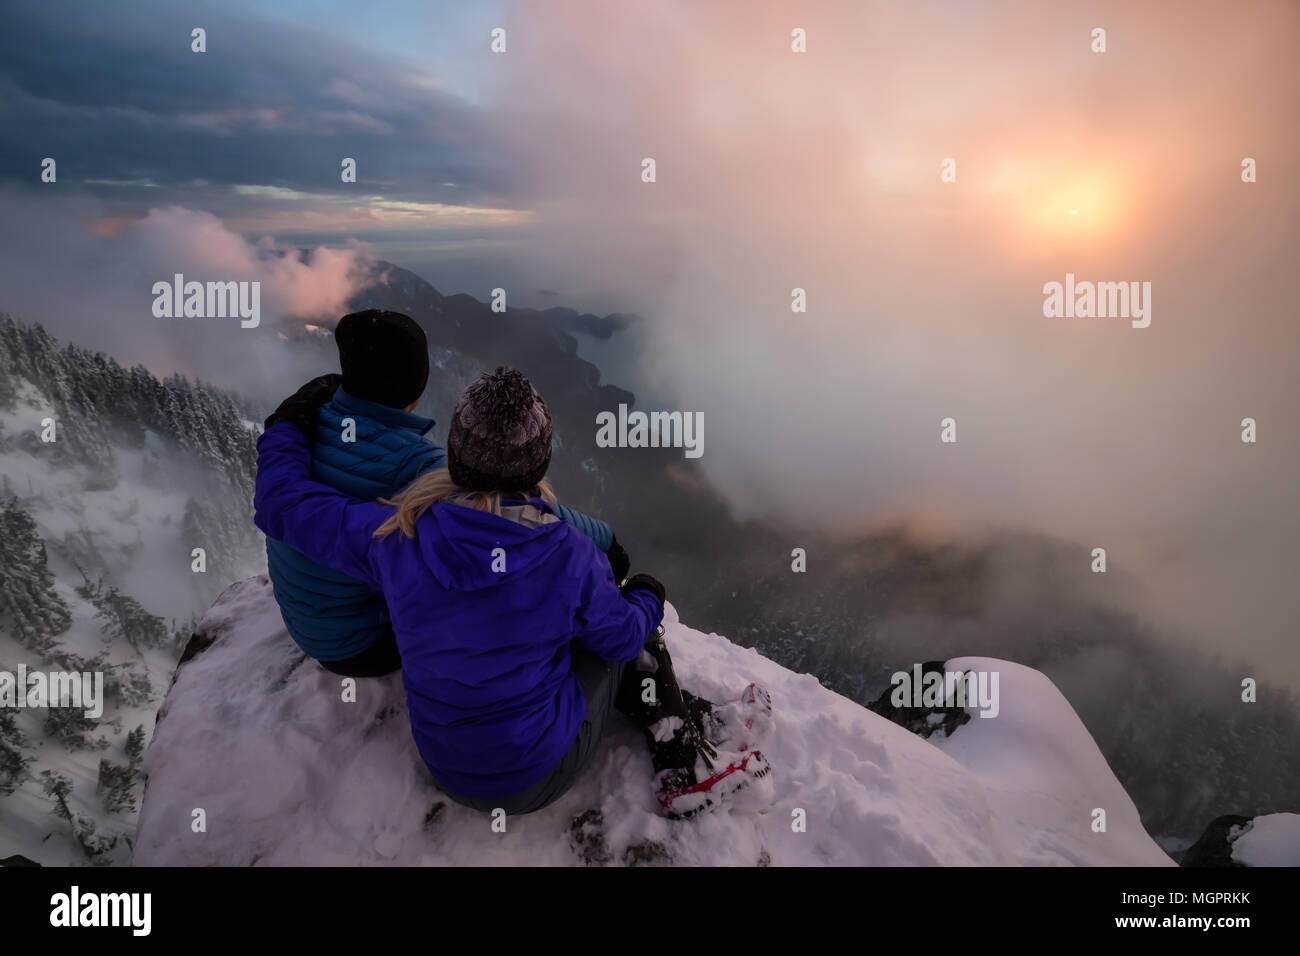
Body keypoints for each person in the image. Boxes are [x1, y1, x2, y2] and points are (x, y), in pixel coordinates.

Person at [254, 366, 768, 817]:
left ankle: (690, 720)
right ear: (539, 464)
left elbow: (281, 504)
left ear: (455, 454)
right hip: (533, 777)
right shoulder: (566, 556)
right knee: (630, 633)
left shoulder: (393, 537)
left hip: (445, 765)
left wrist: (286, 423)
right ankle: (683, 768)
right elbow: (620, 640)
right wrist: (649, 594)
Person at [264, 309, 627, 678]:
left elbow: (279, 496)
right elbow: (519, 512)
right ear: (416, 388)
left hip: (309, 629)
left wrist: (284, 419)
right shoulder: (422, 467)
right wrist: (605, 541)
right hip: (369, 645)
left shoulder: (301, 429)